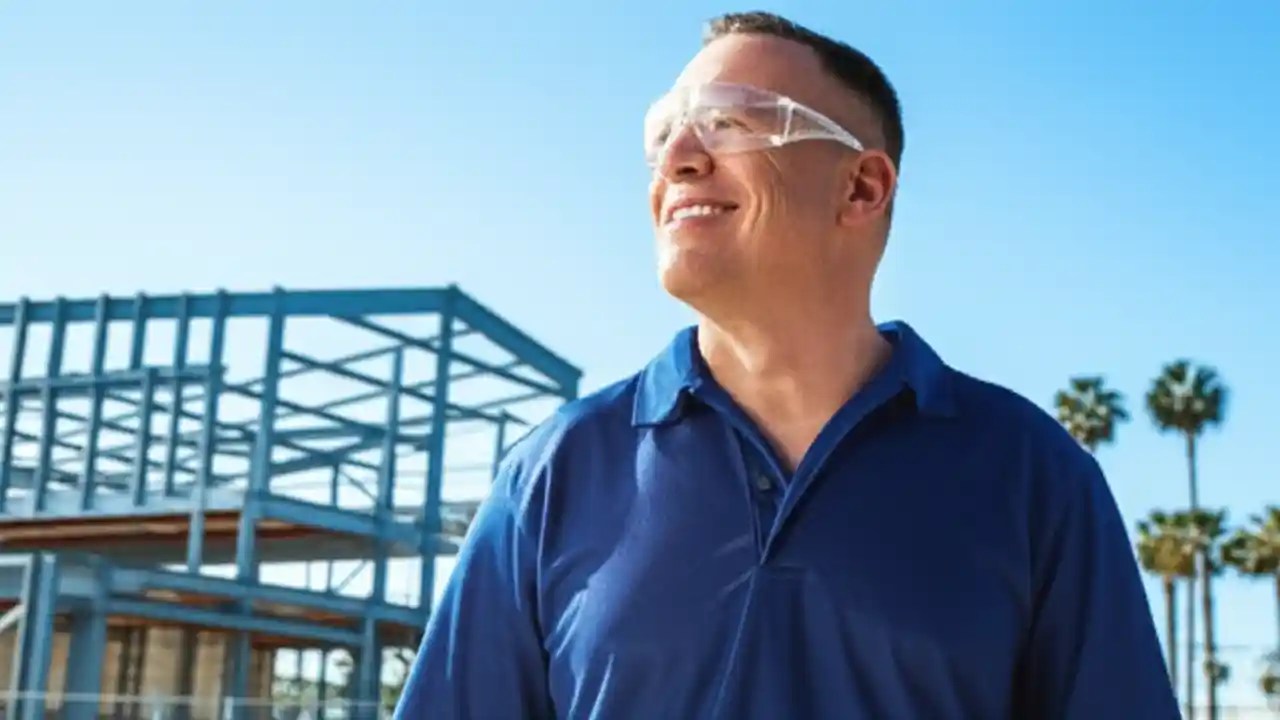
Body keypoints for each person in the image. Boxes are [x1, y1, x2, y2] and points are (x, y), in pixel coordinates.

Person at [394, 11, 1179, 719]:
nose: (676, 159)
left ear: (862, 187)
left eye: (727, 121)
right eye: (664, 132)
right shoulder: (554, 473)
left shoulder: (1033, 475)